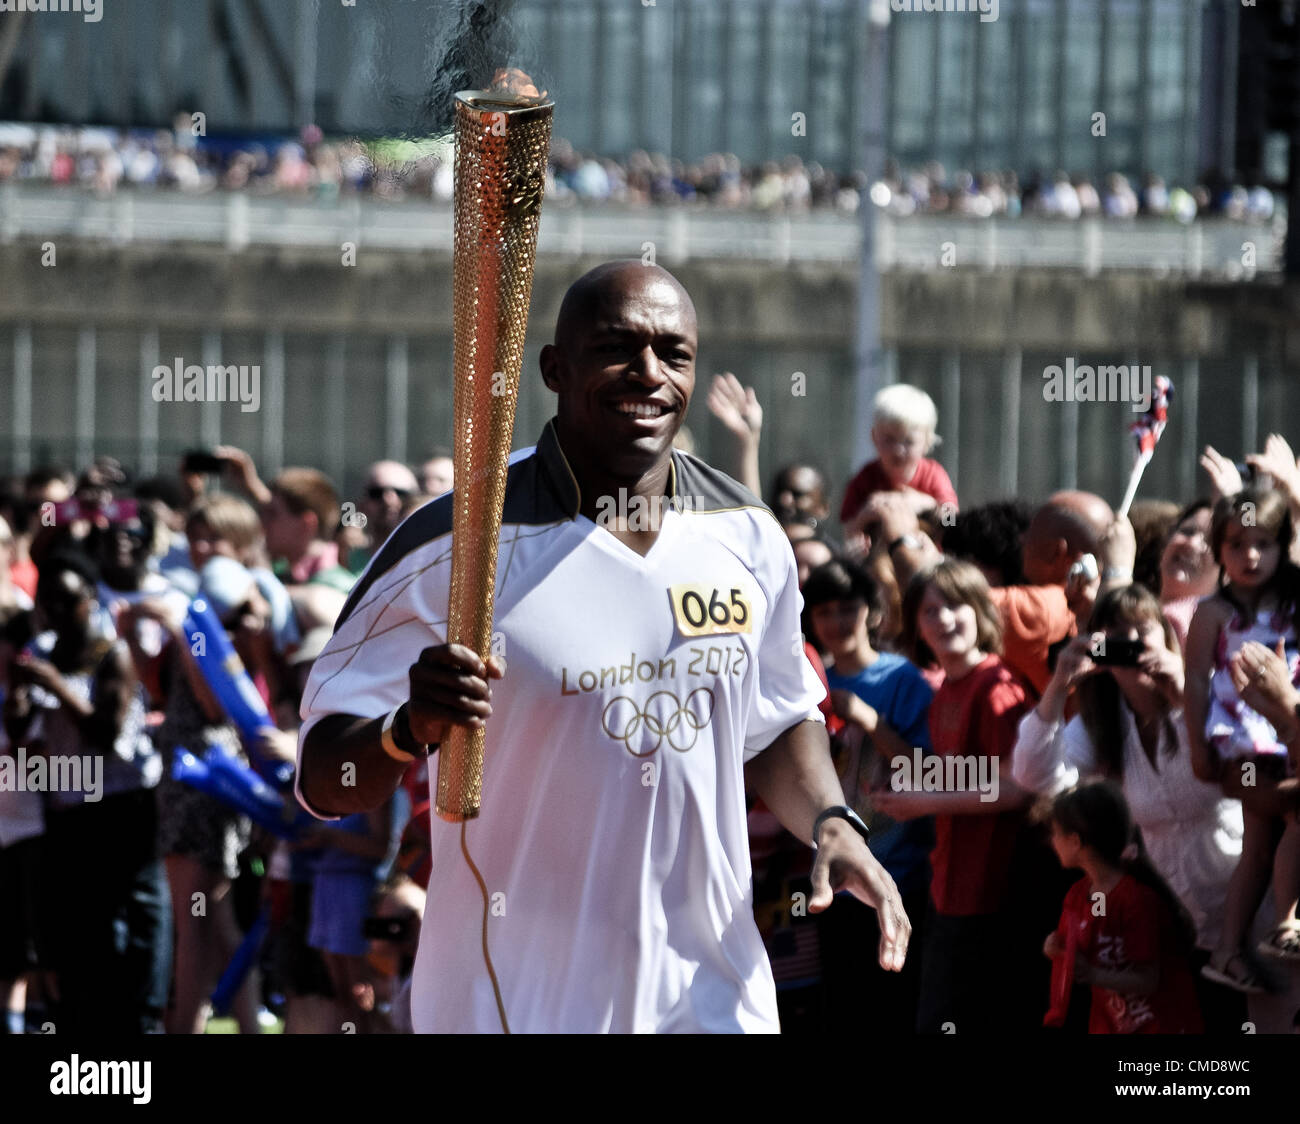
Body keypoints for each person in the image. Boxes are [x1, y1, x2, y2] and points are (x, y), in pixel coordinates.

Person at [297, 260, 910, 1033]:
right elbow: (325, 777)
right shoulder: (452, 546)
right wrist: (404, 730)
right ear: (556, 368)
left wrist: (832, 822)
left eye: (673, 353)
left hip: (712, 998)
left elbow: (780, 719)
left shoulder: (749, 535)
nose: (649, 374)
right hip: (514, 1004)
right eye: (618, 348)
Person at [1011, 584, 1244, 1030]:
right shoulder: (1104, 722)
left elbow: (1240, 767)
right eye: (1115, 637)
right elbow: (1033, 775)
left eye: (1142, 631)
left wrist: (1183, 695)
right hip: (1184, 924)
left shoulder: (1207, 693)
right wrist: (1059, 684)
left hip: (1248, 905)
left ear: (1168, 634)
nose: (1132, 644)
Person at [3, 552, 170, 1035]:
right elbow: (21, 734)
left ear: (90, 601)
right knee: (77, 923)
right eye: (46, 600)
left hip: (121, 807)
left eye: (67, 599)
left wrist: (56, 685)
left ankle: (141, 1021)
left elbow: (107, 732)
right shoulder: (41, 651)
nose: (55, 609)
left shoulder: (109, 655)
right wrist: (19, 694)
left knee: (133, 917)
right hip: (69, 803)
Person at [873, 559, 1037, 1033]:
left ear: (982, 611)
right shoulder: (947, 690)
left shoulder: (997, 688)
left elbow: (1018, 789)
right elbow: (964, 775)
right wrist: (905, 784)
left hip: (992, 893)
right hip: (949, 886)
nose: (944, 618)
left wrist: (925, 801)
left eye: (956, 604)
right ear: (916, 627)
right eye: (929, 610)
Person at [803, 558, 934, 1032]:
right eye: (823, 612)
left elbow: (929, 771)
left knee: (895, 1006)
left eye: (847, 609)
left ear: (872, 612)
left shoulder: (902, 681)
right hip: (830, 878)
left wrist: (868, 719)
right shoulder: (808, 682)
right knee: (843, 1010)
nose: (837, 623)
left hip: (899, 873)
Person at [1185, 486, 1300, 992]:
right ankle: (1288, 923)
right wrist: (1196, 748)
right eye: (1235, 544)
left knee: (1258, 842)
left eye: (1263, 543)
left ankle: (1230, 949)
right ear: (1217, 550)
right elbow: (1192, 685)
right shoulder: (1211, 613)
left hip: (1290, 728)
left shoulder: (1294, 602)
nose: (1250, 556)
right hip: (1246, 741)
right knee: (1291, 812)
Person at [1043, 781, 1203, 1034]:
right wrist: (1057, 949)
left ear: (1075, 841)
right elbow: (1079, 948)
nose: (1051, 841)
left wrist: (1092, 974)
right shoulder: (1077, 896)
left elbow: (1148, 980)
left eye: (1055, 833)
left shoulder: (1136, 900)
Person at [840, 384, 958, 532]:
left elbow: (952, 521)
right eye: (889, 439)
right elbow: (848, 527)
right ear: (874, 437)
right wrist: (866, 514)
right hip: (877, 554)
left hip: (924, 553)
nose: (898, 450)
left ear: (927, 442)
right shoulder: (865, 478)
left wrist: (926, 503)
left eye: (909, 441)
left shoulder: (933, 474)